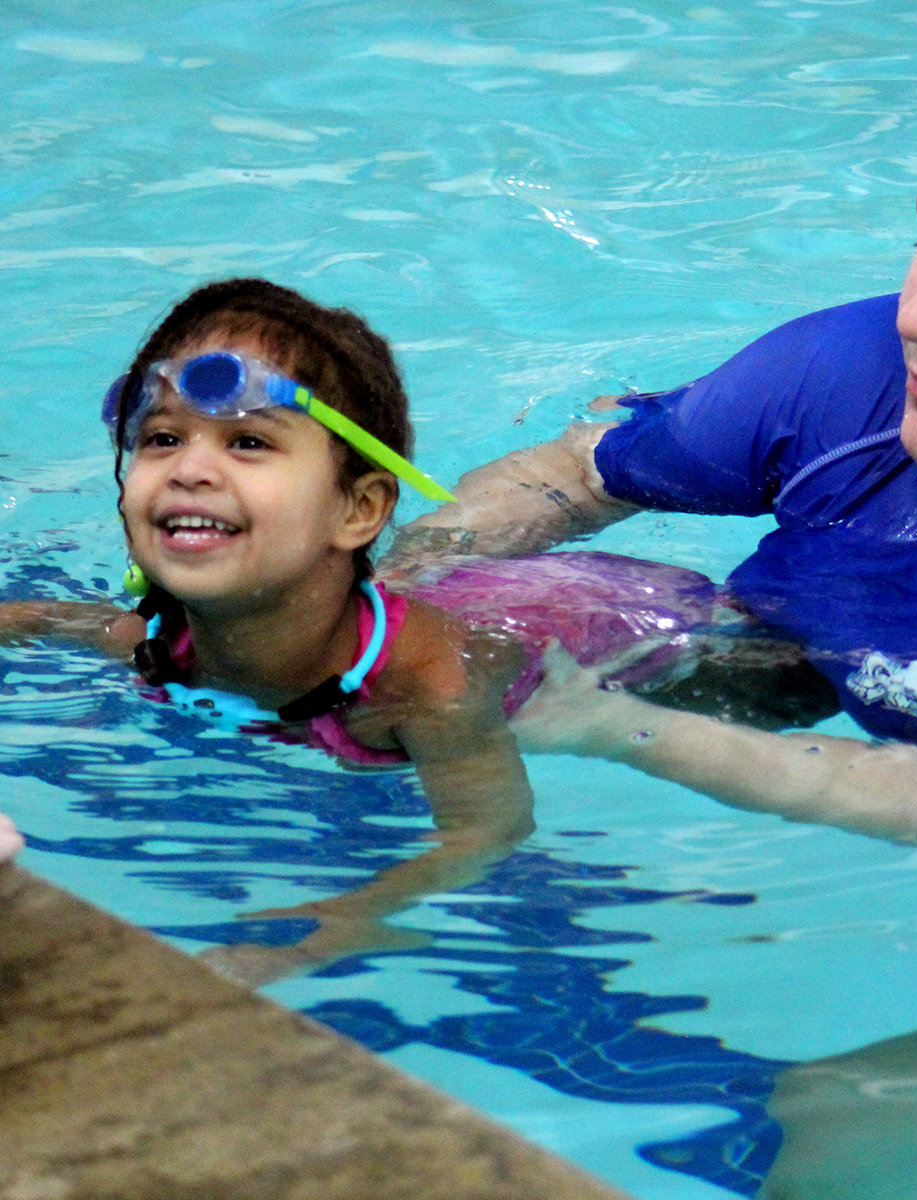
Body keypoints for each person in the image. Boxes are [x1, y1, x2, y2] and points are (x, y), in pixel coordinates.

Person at [392, 29, 917, 899]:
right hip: (823, 655)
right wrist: (403, 587)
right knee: (492, 637)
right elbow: (580, 472)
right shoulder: (843, 382)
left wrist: (606, 726)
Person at [0, 277, 724, 979]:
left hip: (636, 626)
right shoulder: (162, 643)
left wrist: (348, 919)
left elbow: (488, 832)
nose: (190, 467)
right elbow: (43, 619)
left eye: (248, 443)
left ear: (357, 509)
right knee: (424, 560)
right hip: (402, 593)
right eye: (160, 438)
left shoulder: (427, 690)